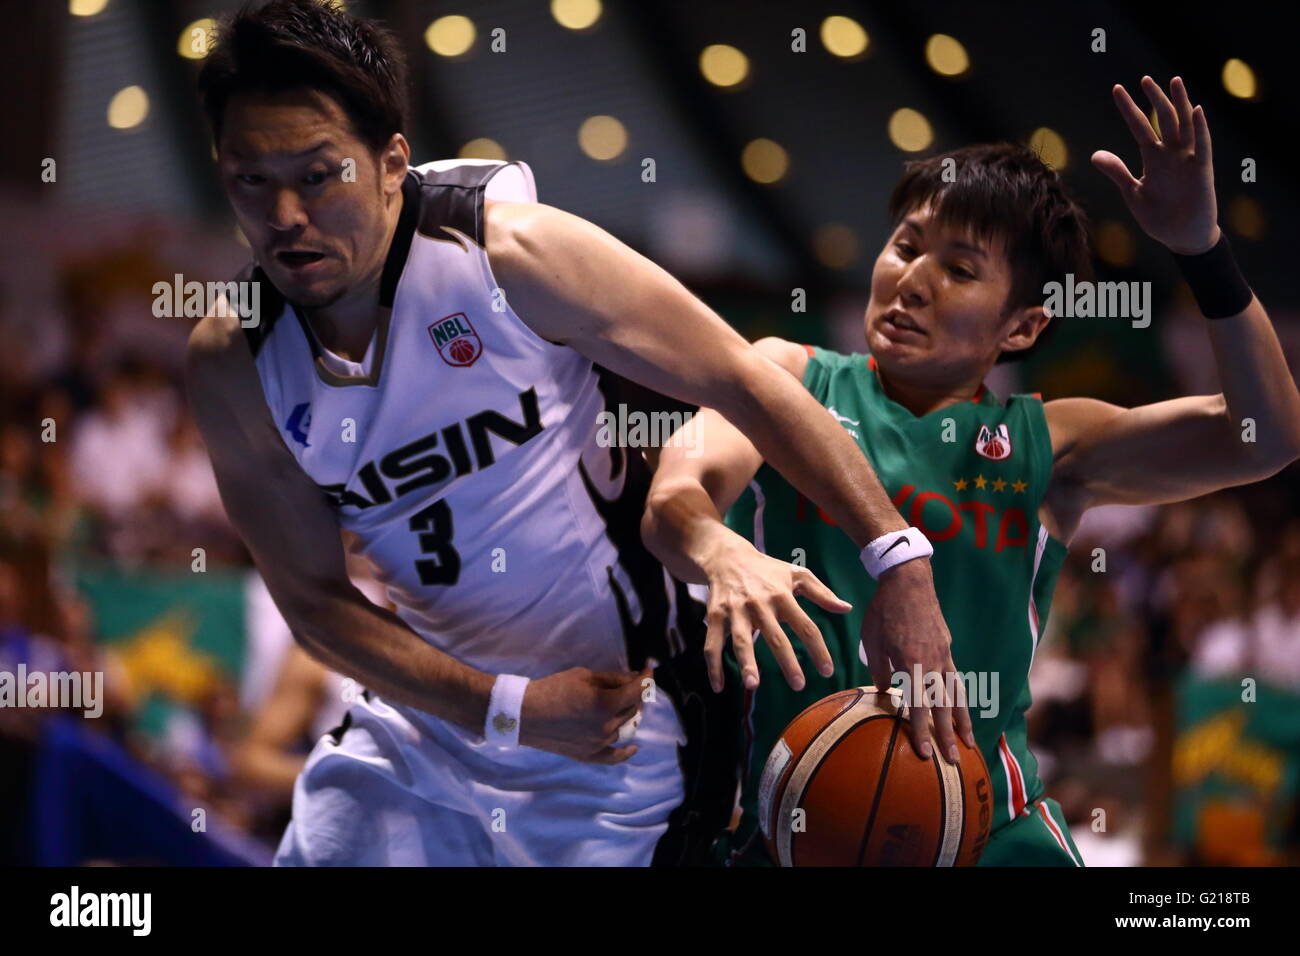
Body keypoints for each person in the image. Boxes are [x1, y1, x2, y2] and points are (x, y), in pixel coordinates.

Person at [186, 0, 958, 865]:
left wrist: (900, 561)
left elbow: (745, 378)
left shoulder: (507, 254)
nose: (285, 214)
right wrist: (507, 706)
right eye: (250, 180)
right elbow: (314, 606)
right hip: (425, 728)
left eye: (318, 175)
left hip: (626, 724)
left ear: (392, 162)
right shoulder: (233, 360)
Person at [642, 76, 1300, 865]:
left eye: (959, 269)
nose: (912, 280)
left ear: (1022, 325)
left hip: (991, 831)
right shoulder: (786, 375)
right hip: (790, 826)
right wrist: (720, 551)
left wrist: (1202, 250)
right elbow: (674, 499)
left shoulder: (1052, 442)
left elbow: (1266, 437)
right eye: (906, 247)